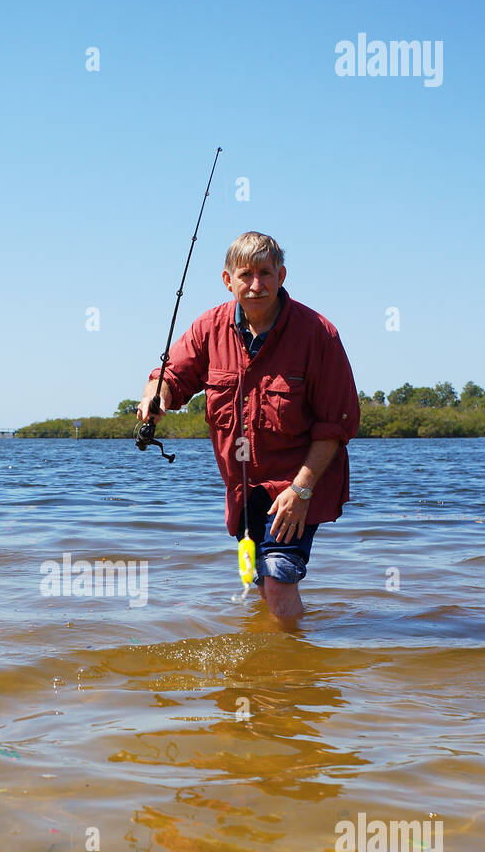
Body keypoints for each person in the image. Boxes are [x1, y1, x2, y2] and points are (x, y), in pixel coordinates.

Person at [138, 232, 361, 620]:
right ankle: (269, 669)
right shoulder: (209, 327)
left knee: (278, 578)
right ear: (229, 280)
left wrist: (300, 490)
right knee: (260, 579)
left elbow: (335, 427)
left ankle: (292, 673)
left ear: (282, 275)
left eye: (266, 273)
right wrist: (156, 399)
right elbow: (171, 377)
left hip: (298, 484)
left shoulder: (319, 334)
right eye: (246, 275)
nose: (256, 285)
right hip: (241, 489)